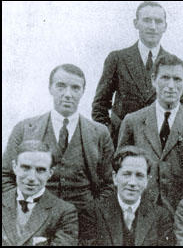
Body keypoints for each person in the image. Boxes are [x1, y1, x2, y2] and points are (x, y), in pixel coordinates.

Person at [2, 63, 114, 244]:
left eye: (75, 88)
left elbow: (108, 184)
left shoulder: (99, 133)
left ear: (83, 92)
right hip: (34, 221)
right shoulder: (25, 128)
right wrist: (23, 209)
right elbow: (5, 175)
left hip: (85, 222)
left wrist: (93, 214)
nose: (68, 94)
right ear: (50, 88)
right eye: (61, 86)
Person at [118, 54, 183, 215]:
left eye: (177, 79)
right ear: (154, 80)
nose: (171, 85)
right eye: (165, 78)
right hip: (139, 213)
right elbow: (120, 170)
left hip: (179, 215)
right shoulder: (133, 121)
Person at [92, 1, 173, 147]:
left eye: (158, 21)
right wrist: (109, 136)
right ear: (136, 23)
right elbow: (100, 105)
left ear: (165, 26)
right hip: (122, 141)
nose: (153, 27)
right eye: (147, 20)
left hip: (158, 143)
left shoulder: (172, 64)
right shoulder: (117, 58)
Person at [86, 146, 174, 246]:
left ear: (147, 181)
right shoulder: (93, 213)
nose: (132, 182)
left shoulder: (161, 217)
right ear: (115, 177)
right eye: (126, 174)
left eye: (139, 176)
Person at [2, 140, 78, 246]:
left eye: (40, 170)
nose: (31, 178)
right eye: (25, 168)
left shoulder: (64, 212)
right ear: (15, 167)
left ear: (50, 173)